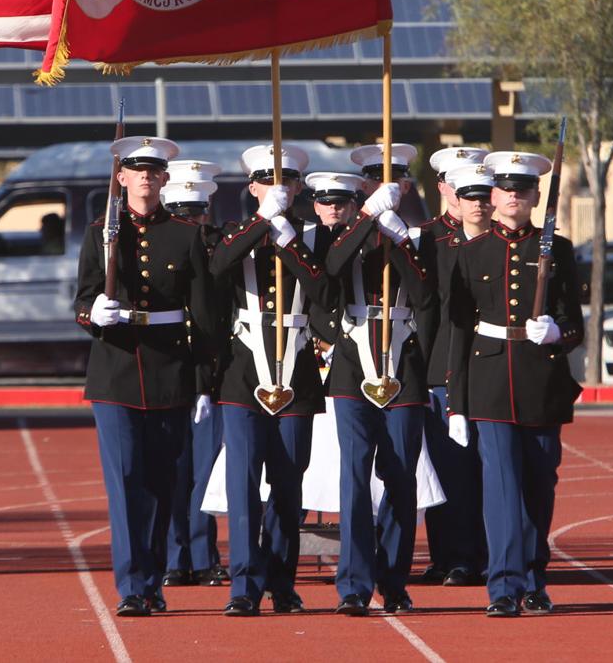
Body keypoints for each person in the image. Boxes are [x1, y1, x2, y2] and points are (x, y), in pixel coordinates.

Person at [74, 136, 216, 618]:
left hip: (170, 369)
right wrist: (94, 312)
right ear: (122, 178)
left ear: (164, 179)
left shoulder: (185, 234)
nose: (146, 179)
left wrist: (203, 381)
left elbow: (205, 317)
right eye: (137, 171)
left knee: (161, 483)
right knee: (125, 482)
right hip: (115, 372)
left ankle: (153, 582)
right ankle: (132, 586)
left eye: (154, 172)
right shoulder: (101, 233)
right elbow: (81, 299)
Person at [446, 151, 584, 618]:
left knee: (539, 487)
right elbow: (460, 331)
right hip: (489, 381)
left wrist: (557, 333)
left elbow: (575, 325)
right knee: (501, 486)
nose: (511, 197)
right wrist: (457, 403)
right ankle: (503, 585)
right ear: (494, 195)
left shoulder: (557, 251)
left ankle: (533, 580)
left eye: (521, 190)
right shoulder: (472, 251)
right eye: (504, 189)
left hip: (541, 380)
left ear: (534, 197)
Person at [208, 144, 335, 617]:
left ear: (299, 187)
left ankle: (282, 582)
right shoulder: (233, 232)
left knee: (287, 483)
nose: (277, 188)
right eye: (267, 181)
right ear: (253, 188)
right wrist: (263, 222)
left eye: (286, 182)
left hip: (297, 368)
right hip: (243, 373)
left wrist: (289, 239)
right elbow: (219, 267)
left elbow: (325, 291)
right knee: (242, 483)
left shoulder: (313, 236)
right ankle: (243, 584)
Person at [321, 143, 430, 616]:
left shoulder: (422, 237)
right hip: (351, 365)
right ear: (364, 185)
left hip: (403, 363)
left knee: (402, 480)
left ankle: (394, 578)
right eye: (376, 179)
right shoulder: (342, 233)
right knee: (354, 476)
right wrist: (368, 219)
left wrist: (398, 238)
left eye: (398, 180)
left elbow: (427, 294)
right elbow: (331, 268)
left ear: (406, 186)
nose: (390, 186)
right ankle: (353, 584)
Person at [416, 146, 490, 587]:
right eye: (459, 186)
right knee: (443, 470)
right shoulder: (428, 239)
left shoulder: (491, 237)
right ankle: (444, 556)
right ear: (444, 188)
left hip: (484, 366)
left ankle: (471, 555)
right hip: (440, 367)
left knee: (474, 471)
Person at [160, 160, 228, 589]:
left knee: (206, 469)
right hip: (167, 365)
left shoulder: (222, 248)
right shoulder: (159, 244)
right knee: (171, 470)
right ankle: (172, 556)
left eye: (198, 212)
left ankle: (202, 556)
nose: (193, 222)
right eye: (183, 213)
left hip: (211, 370)